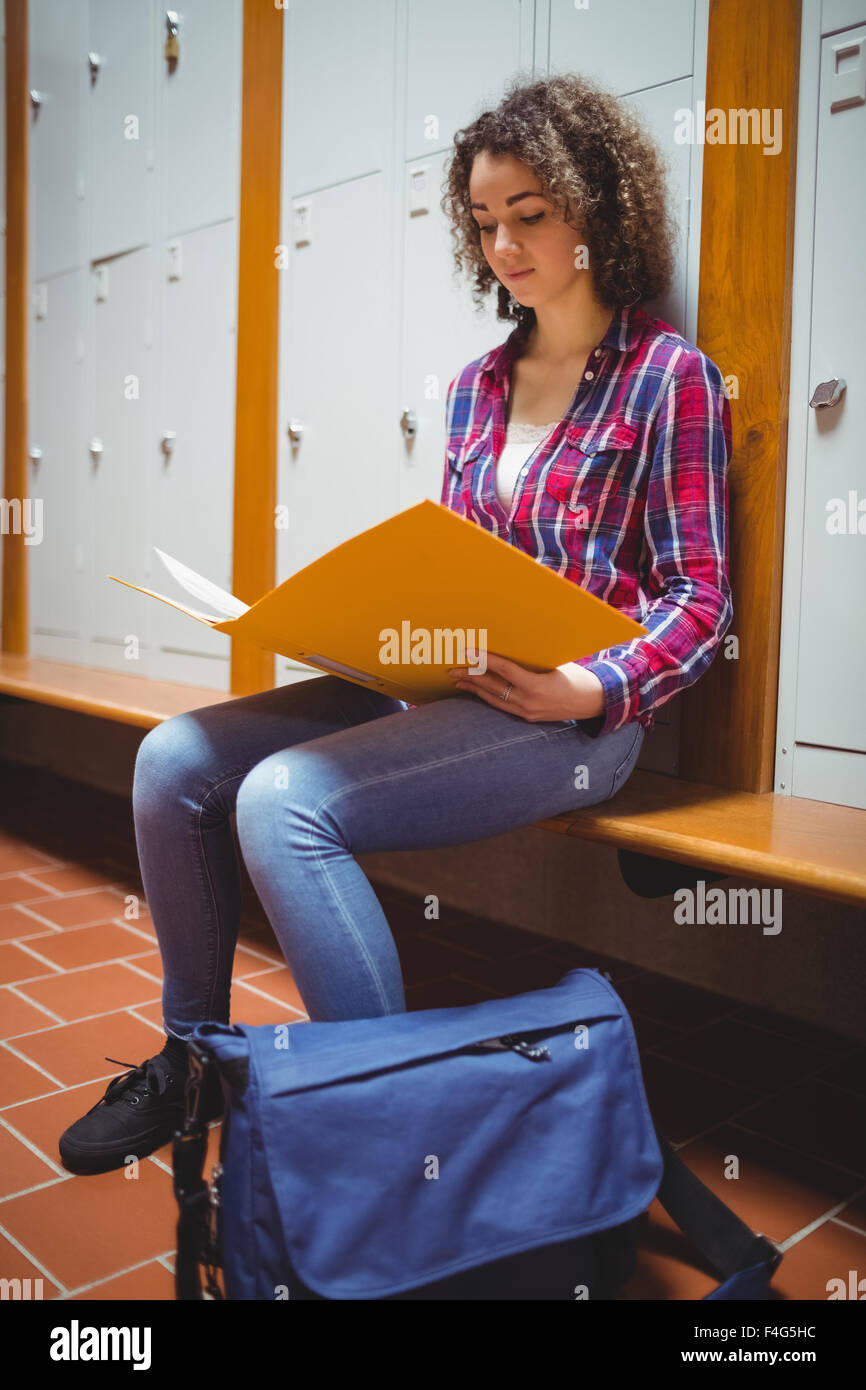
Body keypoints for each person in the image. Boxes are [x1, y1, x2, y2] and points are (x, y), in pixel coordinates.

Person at [59, 73, 732, 1175]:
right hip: (450, 689)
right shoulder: (476, 387)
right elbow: (455, 568)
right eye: (483, 221)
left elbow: (700, 601)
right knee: (174, 757)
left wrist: (586, 688)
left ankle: (394, 1136)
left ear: (592, 207)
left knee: (283, 802)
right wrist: (372, 633)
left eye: (528, 214)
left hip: (574, 720)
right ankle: (190, 1064)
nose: (504, 245)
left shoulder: (668, 380)